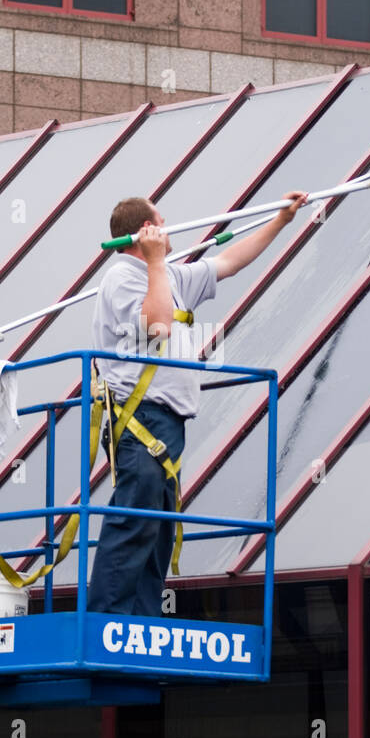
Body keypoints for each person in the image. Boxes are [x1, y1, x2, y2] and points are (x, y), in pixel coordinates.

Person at [88, 191, 307, 615]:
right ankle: (106, 619)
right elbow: (157, 327)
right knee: (135, 518)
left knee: (158, 527)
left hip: (166, 421)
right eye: (160, 222)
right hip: (140, 419)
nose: (168, 229)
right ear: (145, 232)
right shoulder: (124, 276)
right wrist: (154, 262)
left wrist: (280, 220)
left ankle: (143, 619)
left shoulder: (166, 275)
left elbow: (228, 262)